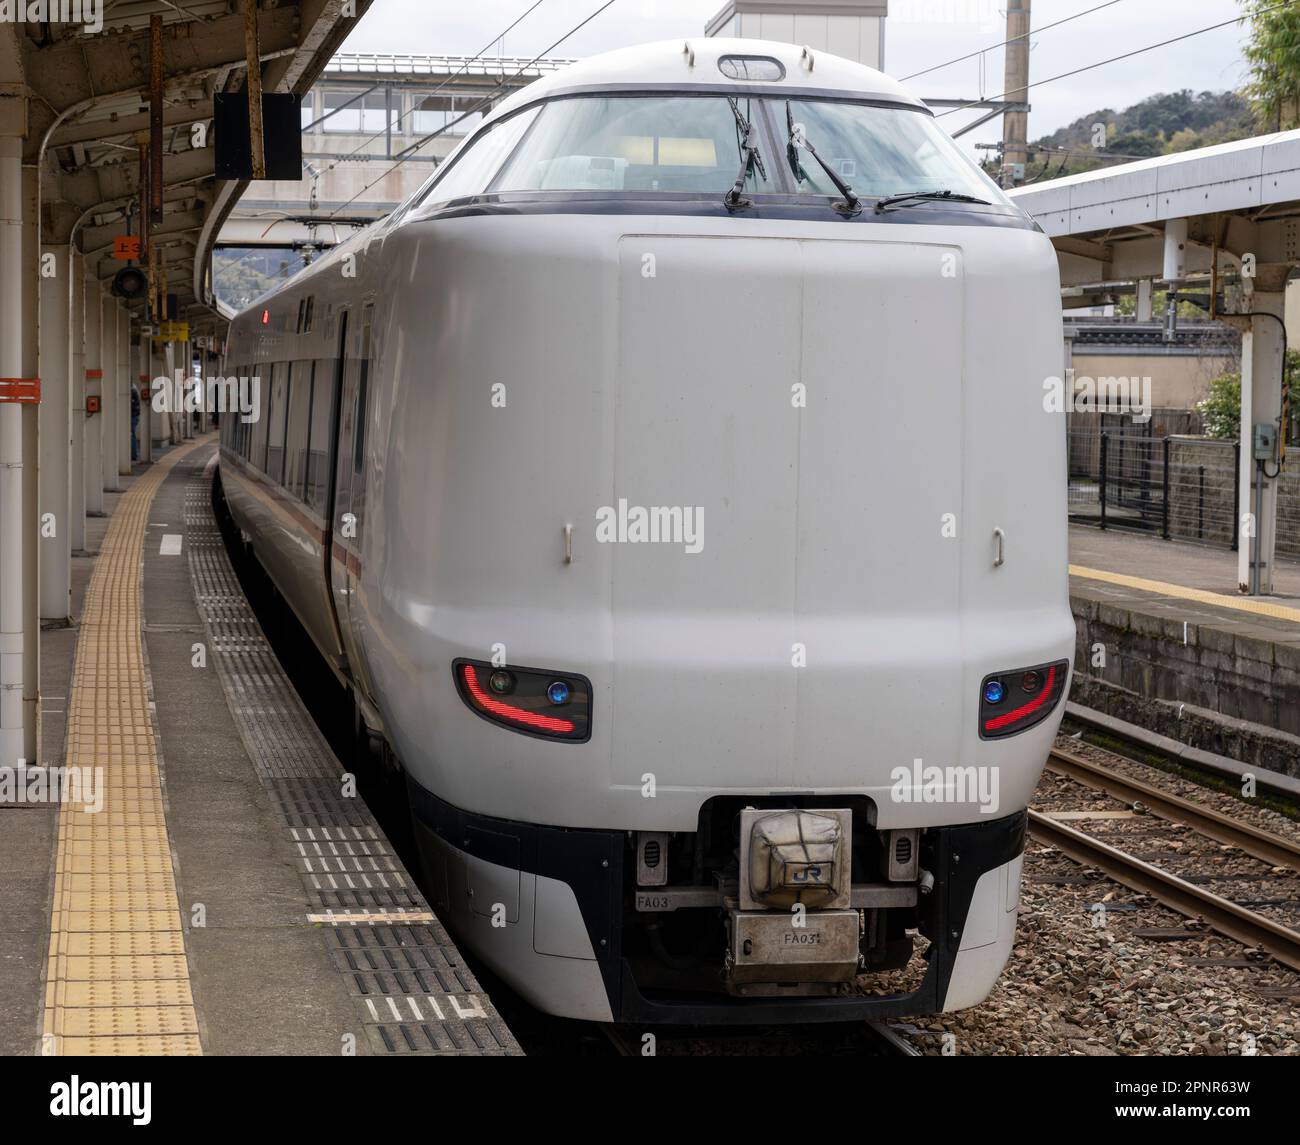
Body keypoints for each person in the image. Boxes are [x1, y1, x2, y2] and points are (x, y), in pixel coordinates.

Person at [130, 384, 140, 462]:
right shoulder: (134, 389)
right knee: (132, 435)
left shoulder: (132, 391)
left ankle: (133, 454)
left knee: (132, 435)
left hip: (132, 416)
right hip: (134, 416)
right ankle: (133, 454)